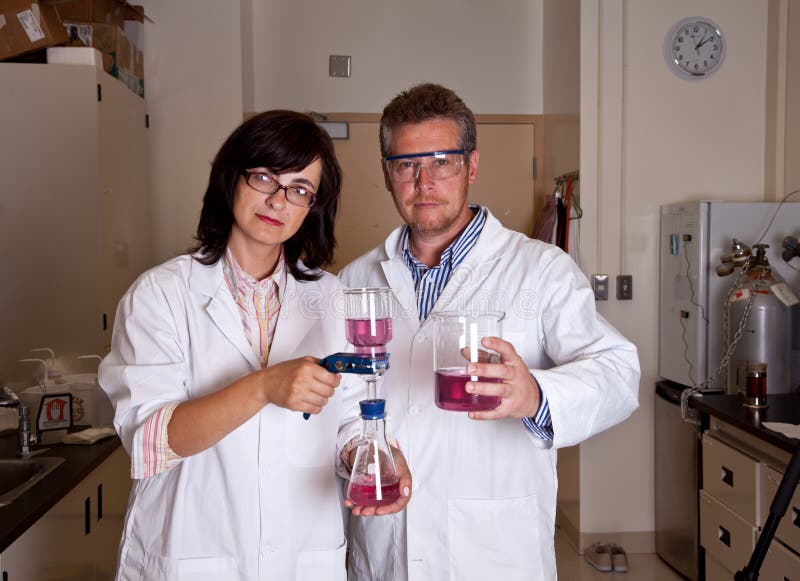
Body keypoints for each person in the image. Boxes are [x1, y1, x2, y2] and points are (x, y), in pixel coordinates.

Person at [338, 83, 641, 580]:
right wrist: (354, 447)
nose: (424, 181)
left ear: (472, 166)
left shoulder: (542, 269)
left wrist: (536, 394)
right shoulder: (355, 280)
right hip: (387, 545)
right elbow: (338, 403)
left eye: (442, 162)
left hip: (494, 551)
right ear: (387, 174)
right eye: (406, 165)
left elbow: (619, 372)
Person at [98, 110, 410, 581]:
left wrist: (370, 455)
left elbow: (347, 417)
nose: (279, 200)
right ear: (232, 178)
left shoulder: (331, 297)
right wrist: (264, 387)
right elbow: (150, 440)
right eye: (265, 177)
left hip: (302, 552)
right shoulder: (161, 295)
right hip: (193, 549)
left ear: (313, 207)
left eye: (300, 189)